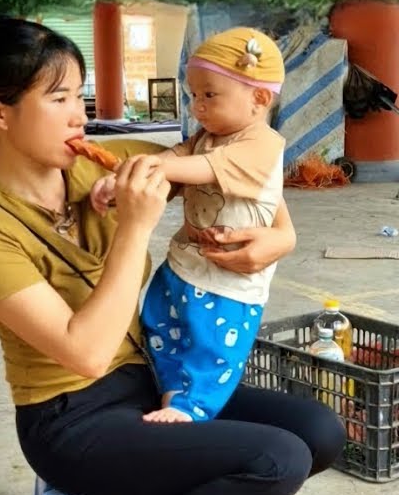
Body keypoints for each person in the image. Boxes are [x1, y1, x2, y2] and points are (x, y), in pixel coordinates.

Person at [0, 17, 345, 495]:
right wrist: (134, 228)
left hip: (152, 379)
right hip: (72, 420)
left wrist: (282, 238)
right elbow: (84, 351)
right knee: (277, 459)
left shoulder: (106, 161)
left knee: (319, 432)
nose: (79, 116)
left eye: (79, 96)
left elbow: (241, 169)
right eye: (59, 99)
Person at [88, 27, 287, 423]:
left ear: (259, 99)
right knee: (158, 324)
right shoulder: (206, 136)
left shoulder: (263, 144)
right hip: (184, 264)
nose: (197, 106)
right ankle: (172, 394)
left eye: (209, 95)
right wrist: (121, 182)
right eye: (193, 95)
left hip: (227, 281)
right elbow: (177, 162)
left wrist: (148, 167)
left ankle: (191, 408)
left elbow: (202, 168)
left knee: (212, 347)